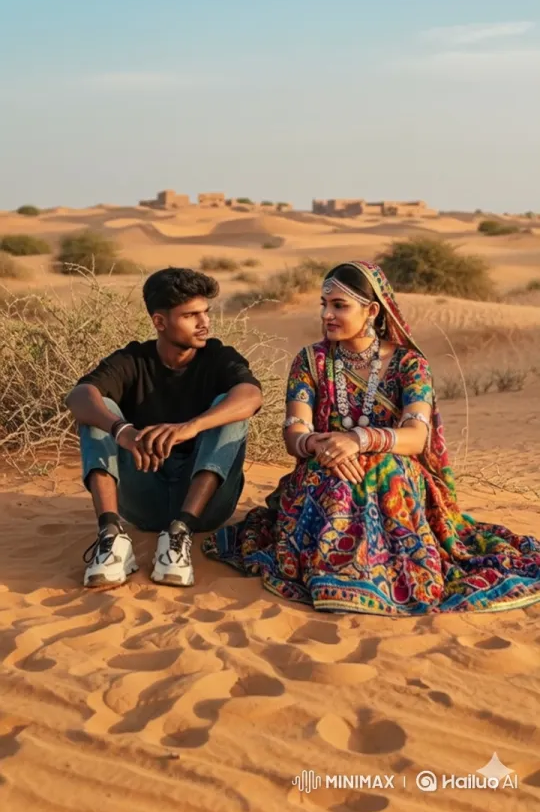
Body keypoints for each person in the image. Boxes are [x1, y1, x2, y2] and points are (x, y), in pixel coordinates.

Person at [202, 260, 540, 614]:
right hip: (324, 463)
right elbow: (294, 432)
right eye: (324, 304)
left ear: (372, 310)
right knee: (336, 479)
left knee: (385, 473)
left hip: (395, 470)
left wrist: (359, 440)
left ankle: (396, 579)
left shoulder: (410, 364)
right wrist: (322, 444)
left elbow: (416, 437)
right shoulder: (312, 361)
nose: (327, 315)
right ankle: (337, 578)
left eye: (339, 305)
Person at [66, 267, 262, 589]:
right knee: (99, 410)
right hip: (144, 497)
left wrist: (190, 427)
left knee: (230, 408)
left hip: (206, 504)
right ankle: (111, 536)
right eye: (191, 316)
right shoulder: (133, 359)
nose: (204, 323)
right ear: (160, 322)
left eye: (205, 313)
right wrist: (122, 431)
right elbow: (78, 396)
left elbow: (251, 396)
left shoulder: (218, 357)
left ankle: (179, 534)